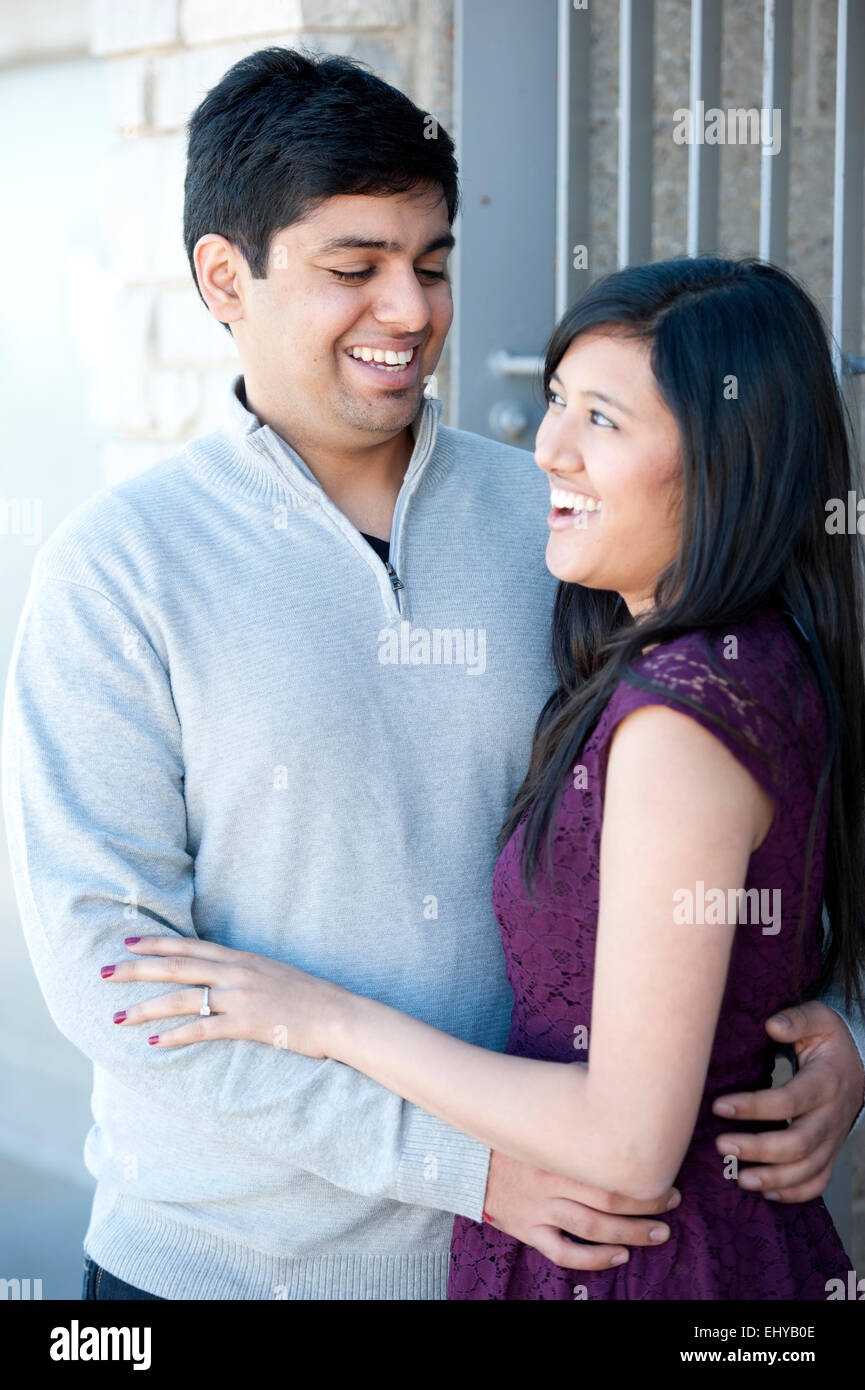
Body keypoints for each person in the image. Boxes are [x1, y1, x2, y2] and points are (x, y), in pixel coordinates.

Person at [2, 50, 863, 1303]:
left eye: (435, 261)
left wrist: (842, 1019)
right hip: (221, 1269)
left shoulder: (562, 526)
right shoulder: (117, 571)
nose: (408, 307)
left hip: (526, 1261)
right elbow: (111, 977)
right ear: (222, 278)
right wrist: (460, 1164)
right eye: (355, 267)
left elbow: (773, 815)